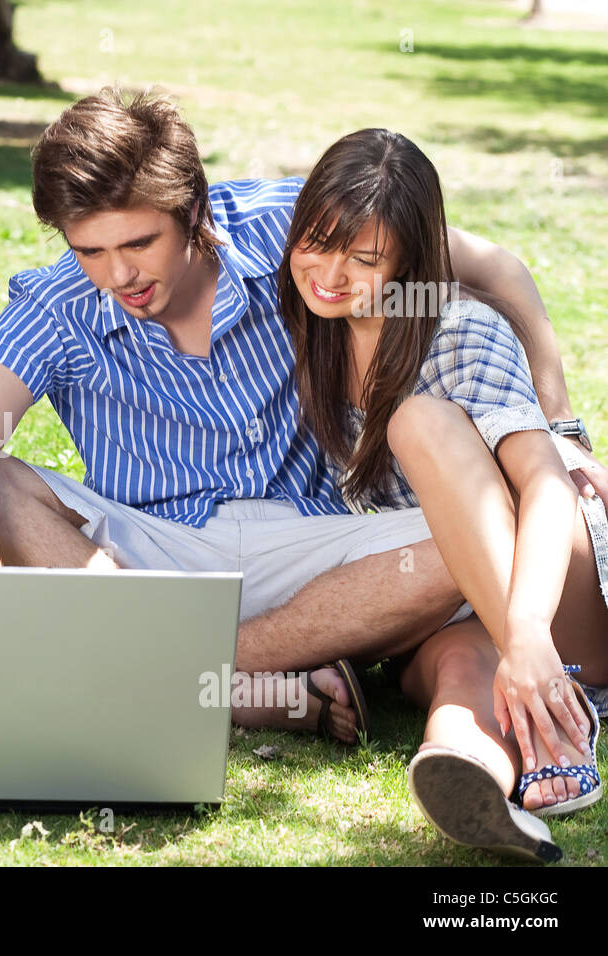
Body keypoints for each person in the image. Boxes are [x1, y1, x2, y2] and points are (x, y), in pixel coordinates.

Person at [0, 88, 608, 743]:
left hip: (314, 555)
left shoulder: (298, 235)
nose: (117, 274)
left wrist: (563, 428)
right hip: (147, 564)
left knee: (485, 531)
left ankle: (189, 671)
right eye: (89, 250)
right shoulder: (60, 304)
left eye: (138, 244)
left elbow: (498, 266)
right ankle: (241, 682)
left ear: (195, 214)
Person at [280, 128, 603, 860]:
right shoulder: (313, 329)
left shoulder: (457, 331)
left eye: (363, 260)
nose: (330, 273)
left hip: (555, 583)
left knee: (418, 420)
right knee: (457, 674)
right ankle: (479, 779)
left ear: (409, 261)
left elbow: (545, 484)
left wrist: (526, 633)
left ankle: (553, 697)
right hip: (446, 597)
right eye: (317, 243)